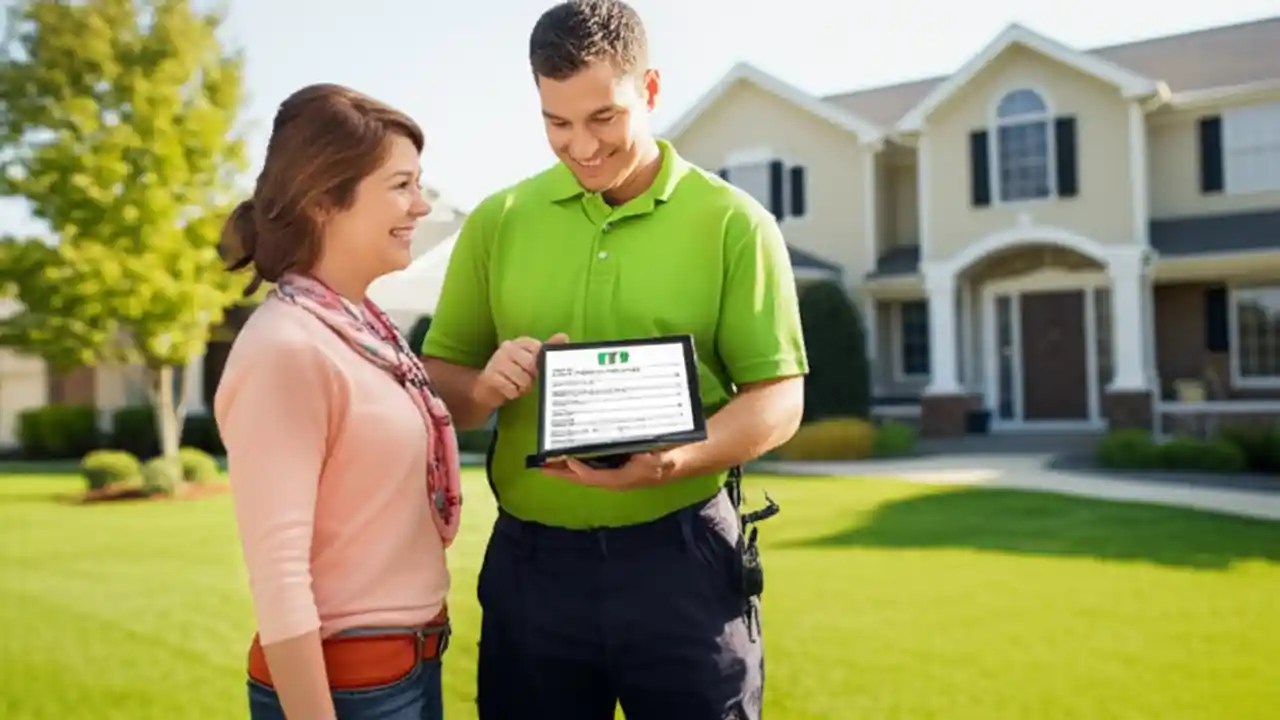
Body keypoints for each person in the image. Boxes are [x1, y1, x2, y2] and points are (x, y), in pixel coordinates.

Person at [421, 1, 807, 717]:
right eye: (556, 122)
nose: (582, 146)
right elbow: (444, 385)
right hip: (534, 569)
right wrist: (487, 385)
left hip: (684, 562)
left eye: (603, 117)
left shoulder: (734, 224)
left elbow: (778, 397)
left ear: (650, 90)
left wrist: (678, 458)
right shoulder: (498, 221)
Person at [214, 83, 461, 720]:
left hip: (405, 673)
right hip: (353, 693)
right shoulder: (287, 349)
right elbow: (279, 577)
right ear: (325, 200)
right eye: (401, 186)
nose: (421, 204)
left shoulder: (363, 332)